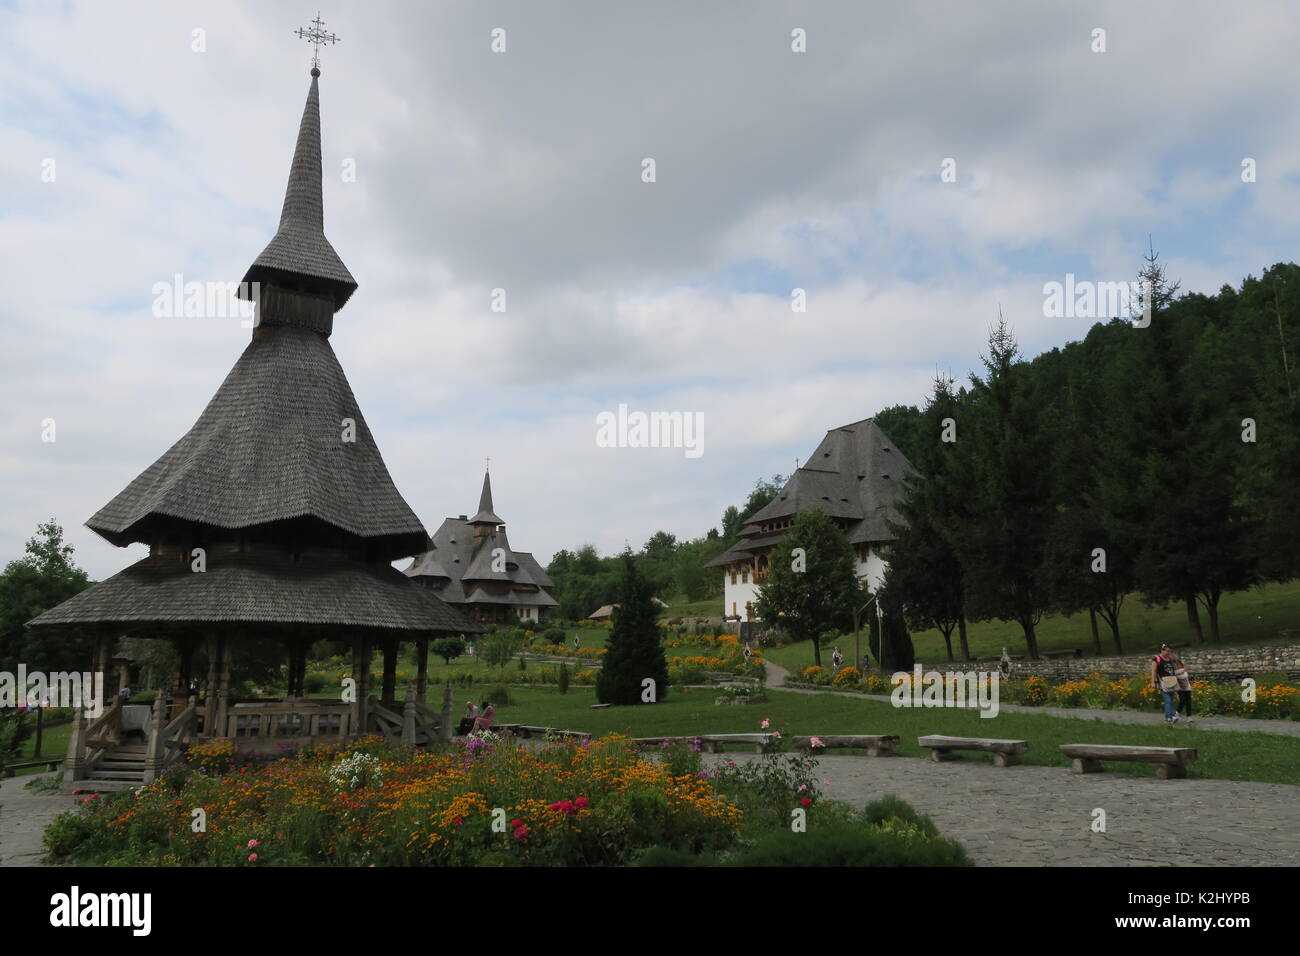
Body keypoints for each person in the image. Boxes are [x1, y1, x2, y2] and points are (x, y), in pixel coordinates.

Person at [1151, 644, 1180, 724]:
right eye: (1167, 651)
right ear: (1162, 650)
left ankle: (1171, 716)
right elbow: (1153, 672)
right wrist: (1153, 682)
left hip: (1172, 681)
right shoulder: (1156, 659)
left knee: (1171, 700)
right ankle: (1169, 717)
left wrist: (1171, 657)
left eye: (1169, 651)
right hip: (1163, 682)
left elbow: (1176, 665)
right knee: (1168, 700)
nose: (1168, 652)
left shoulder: (1169, 659)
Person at [1171, 654, 1195, 722]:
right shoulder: (1175, 672)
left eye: (1179, 664)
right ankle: (1176, 714)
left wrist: (1190, 687)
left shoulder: (1183, 670)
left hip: (1187, 688)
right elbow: (1176, 674)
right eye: (1176, 664)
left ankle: (1189, 717)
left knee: (1188, 702)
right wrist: (1183, 670)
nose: (1178, 665)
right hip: (1180, 688)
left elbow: (1186, 678)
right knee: (1182, 701)